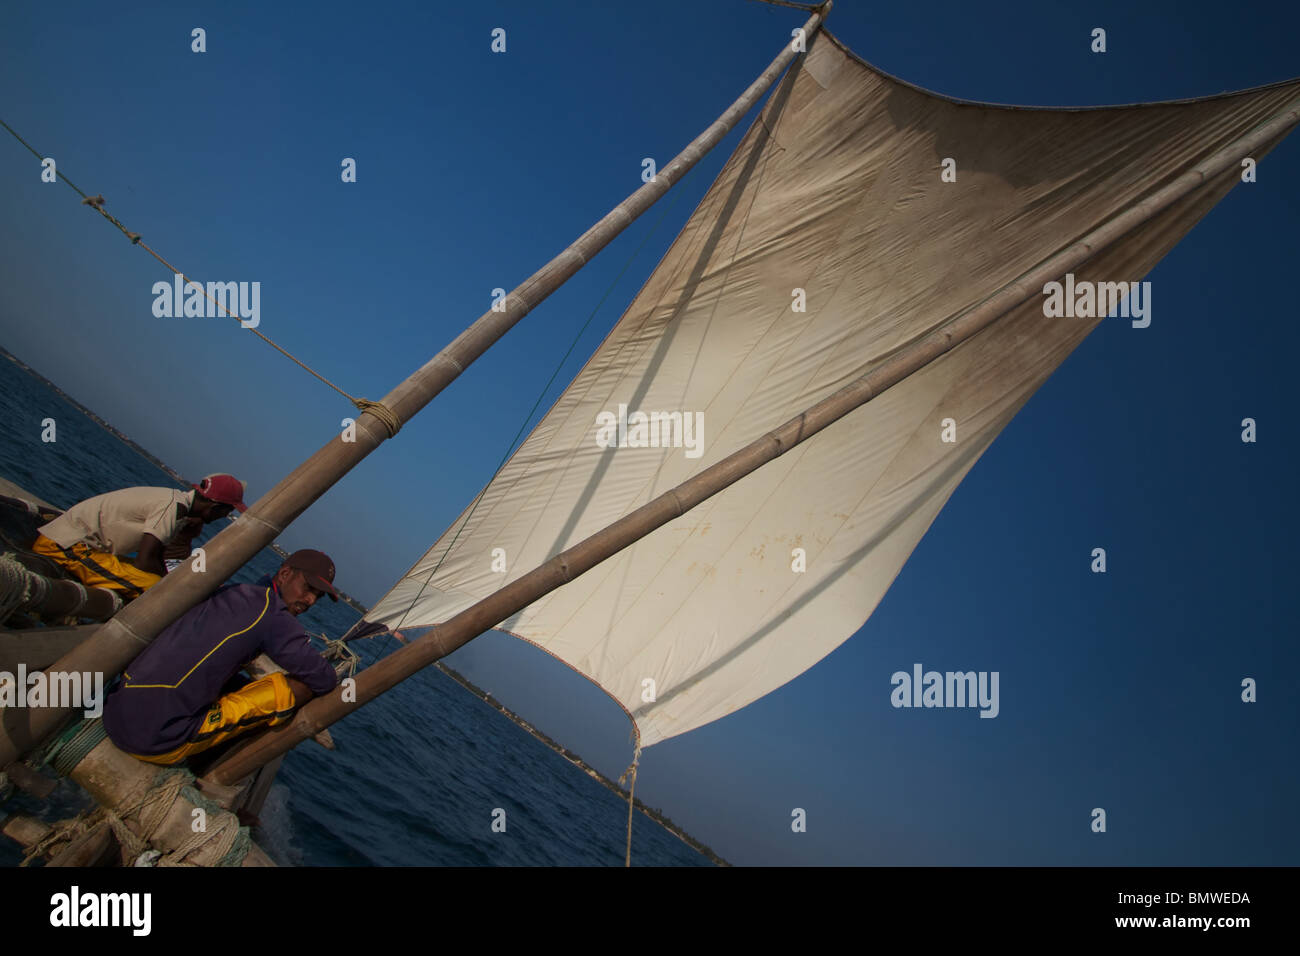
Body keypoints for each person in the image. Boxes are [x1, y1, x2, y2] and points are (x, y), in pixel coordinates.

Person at [102, 550, 341, 766]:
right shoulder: (274, 616)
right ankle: (205, 768)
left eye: (318, 597)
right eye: (308, 589)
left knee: (236, 681)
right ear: (285, 574)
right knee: (300, 689)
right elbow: (323, 678)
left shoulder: (234, 591)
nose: (311, 601)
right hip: (155, 738)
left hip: (115, 709)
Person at [30, 473, 248, 598]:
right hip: (65, 545)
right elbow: (145, 561)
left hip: (81, 544)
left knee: (158, 583)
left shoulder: (176, 504)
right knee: (155, 594)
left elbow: (159, 557)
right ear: (216, 507)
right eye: (228, 511)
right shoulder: (172, 508)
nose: (225, 517)